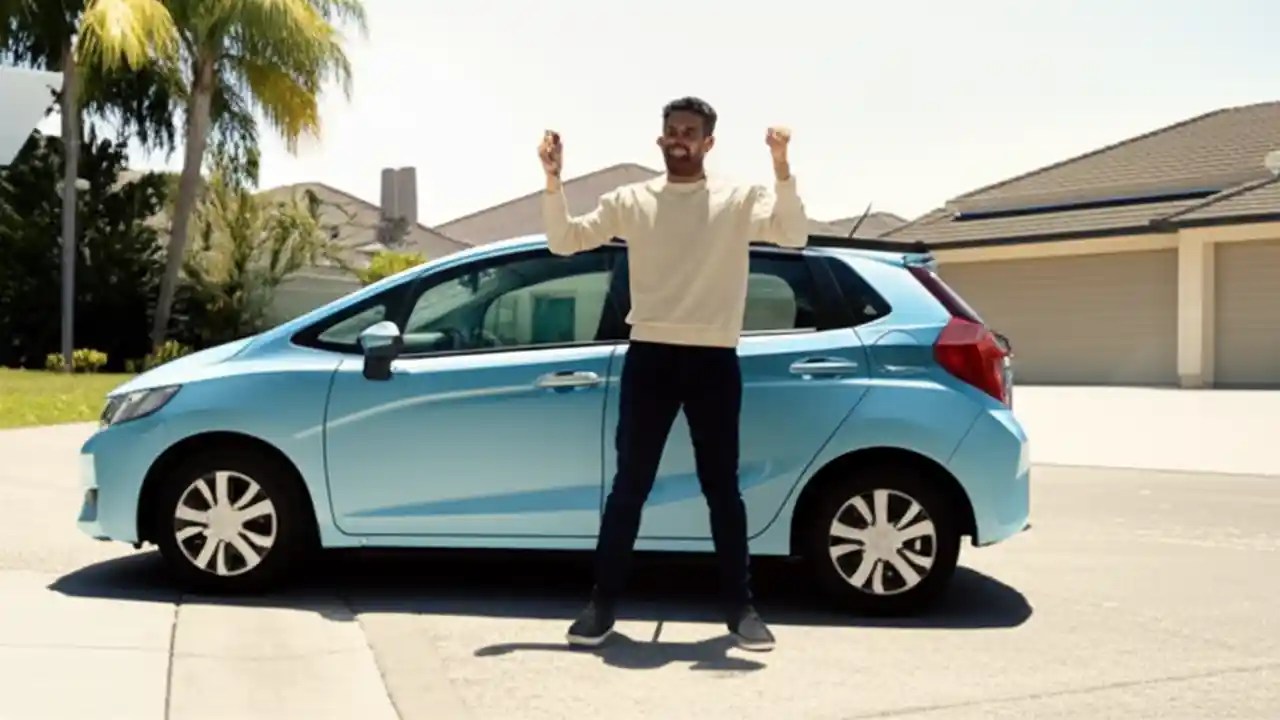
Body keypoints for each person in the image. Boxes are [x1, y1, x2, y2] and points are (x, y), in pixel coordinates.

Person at [538, 96, 809, 652]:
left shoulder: (737, 199)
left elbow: (793, 233)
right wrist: (552, 179)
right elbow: (564, 240)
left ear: (708, 142)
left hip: (713, 358)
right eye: (671, 130)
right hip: (651, 357)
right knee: (629, 487)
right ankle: (601, 606)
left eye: (689, 131)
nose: (678, 139)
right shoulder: (632, 200)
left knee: (722, 489)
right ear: (660, 138)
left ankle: (740, 609)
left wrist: (781, 167)